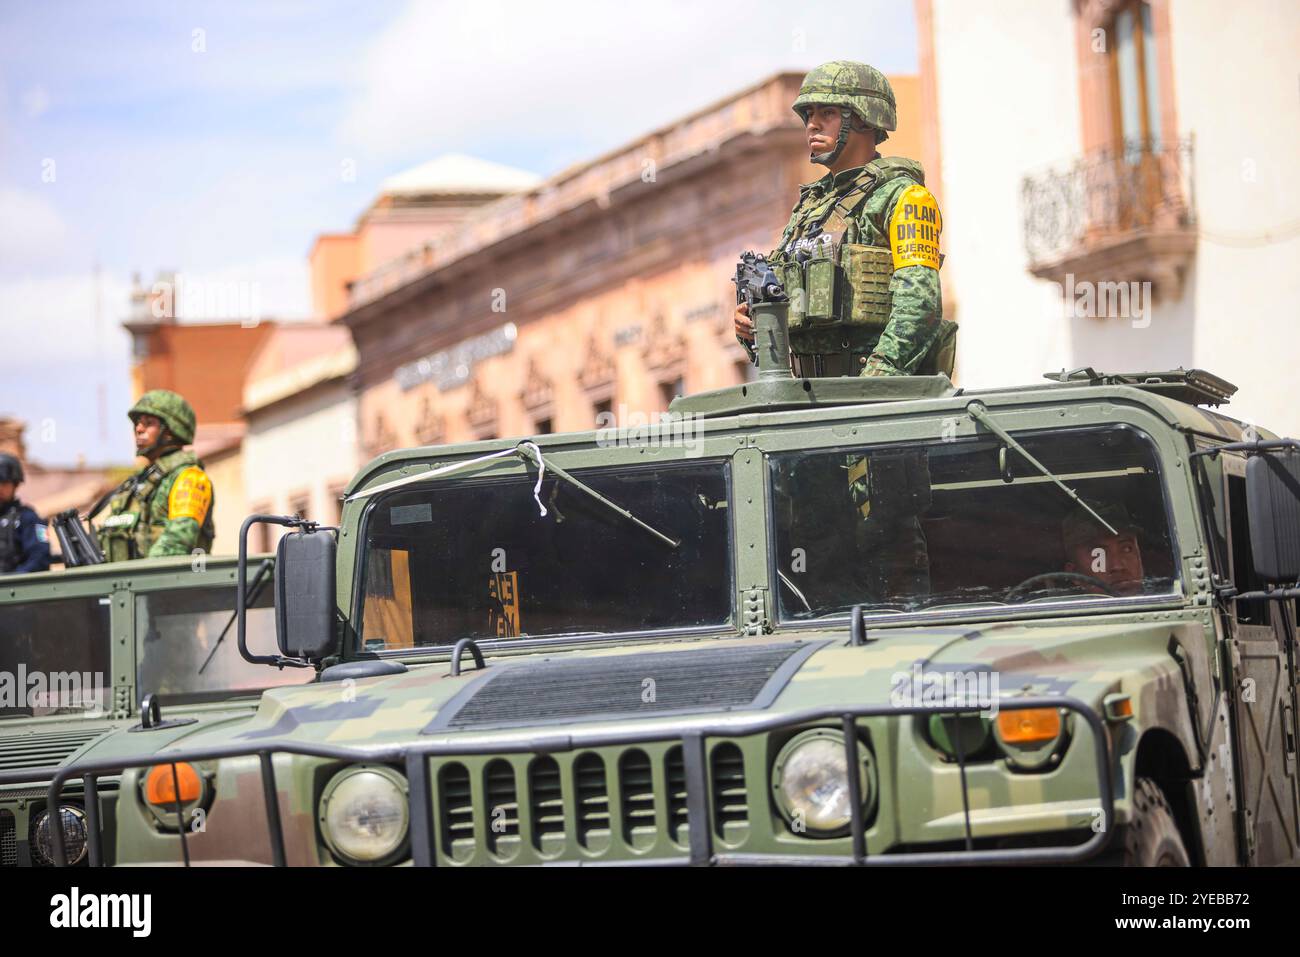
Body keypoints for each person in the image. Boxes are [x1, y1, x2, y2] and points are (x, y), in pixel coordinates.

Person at [734, 60, 954, 378]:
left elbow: (920, 302)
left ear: (864, 118)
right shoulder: (807, 211)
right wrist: (750, 325)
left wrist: (880, 377)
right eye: (809, 115)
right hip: (805, 395)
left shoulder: (904, 197)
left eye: (827, 114)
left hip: (869, 394)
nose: (812, 125)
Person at [94, 390, 215, 562]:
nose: (138, 429)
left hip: (172, 585)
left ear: (170, 431)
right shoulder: (137, 483)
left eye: (148, 423)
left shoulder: (190, 479)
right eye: (137, 423)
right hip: (127, 585)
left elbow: (177, 542)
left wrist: (138, 577)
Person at [1061, 505, 1146, 596]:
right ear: (1075, 574)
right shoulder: (1058, 608)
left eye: (1126, 549)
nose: (1117, 566)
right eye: (1098, 554)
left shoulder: (1161, 597)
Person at [0, 452, 51, 574]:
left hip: (15, 588)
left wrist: (13, 580)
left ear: (15, 485)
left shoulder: (29, 518)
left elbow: (40, 558)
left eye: (4, 483)